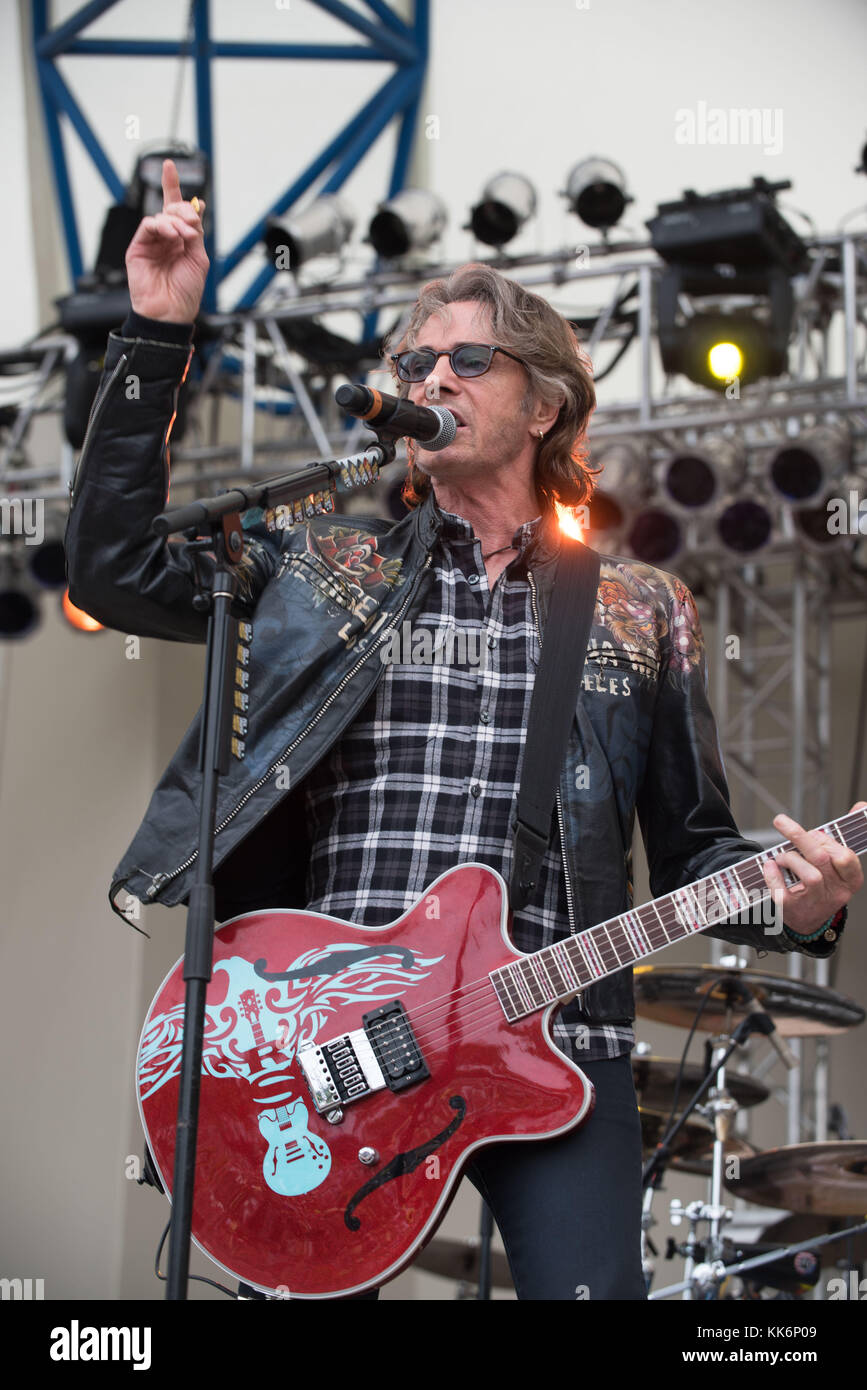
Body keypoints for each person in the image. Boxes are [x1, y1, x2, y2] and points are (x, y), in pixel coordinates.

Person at [65, 161, 865, 1301]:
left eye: (465, 360)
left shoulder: (641, 607)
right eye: (414, 363)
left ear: (544, 405)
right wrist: (155, 332)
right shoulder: (321, 565)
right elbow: (115, 565)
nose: (430, 376)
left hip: (553, 1043)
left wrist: (805, 902)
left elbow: (696, 853)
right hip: (321, 1041)